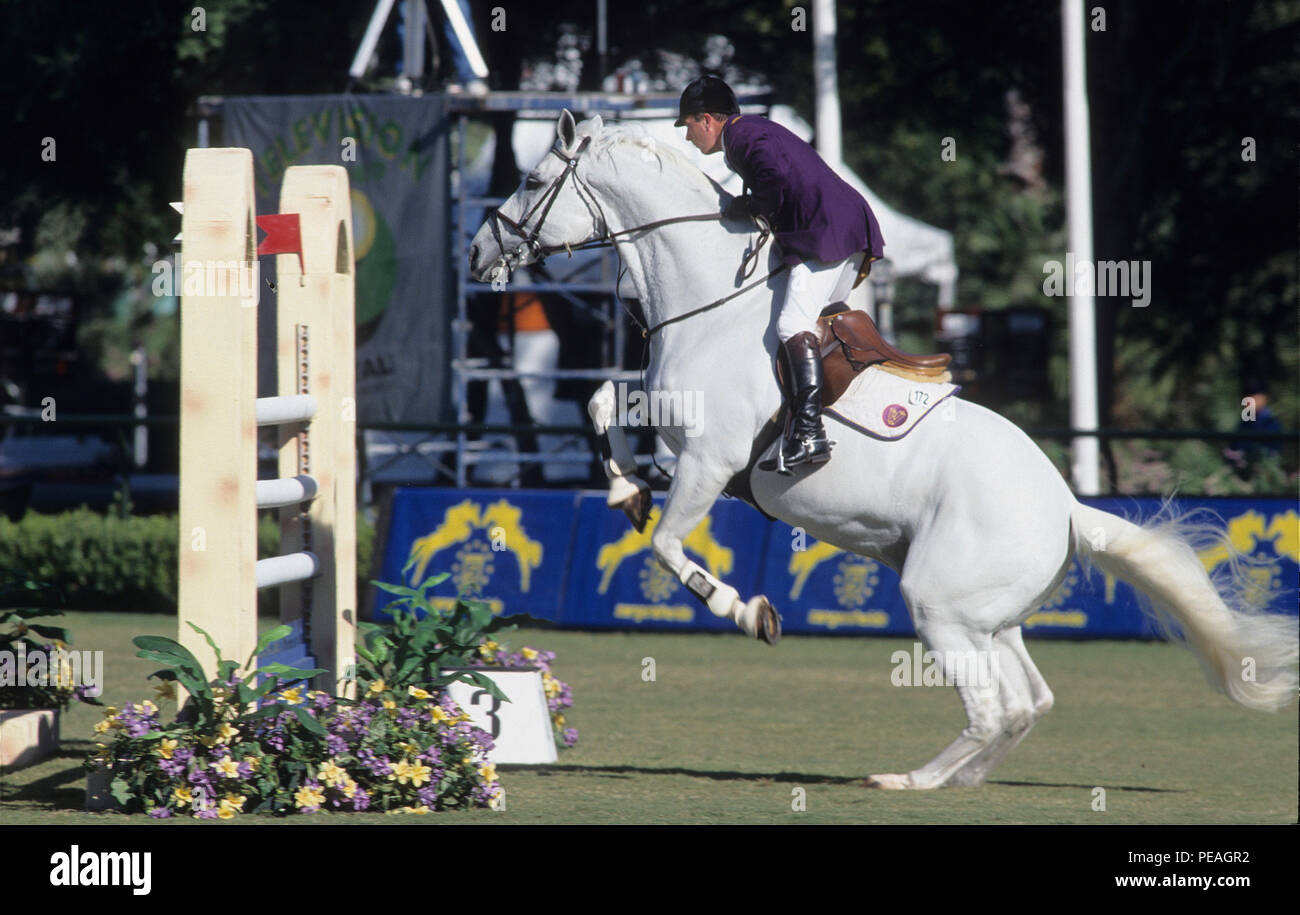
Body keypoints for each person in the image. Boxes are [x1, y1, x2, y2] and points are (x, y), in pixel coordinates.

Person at [676, 75, 886, 472]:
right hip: (843, 224)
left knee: (792, 323)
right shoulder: (749, 131)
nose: (687, 137)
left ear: (706, 120)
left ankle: (810, 432)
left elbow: (774, 180)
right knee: (815, 323)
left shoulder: (741, 138)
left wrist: (749, 206)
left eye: (687, 126)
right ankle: (820, 416)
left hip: (826, 229)